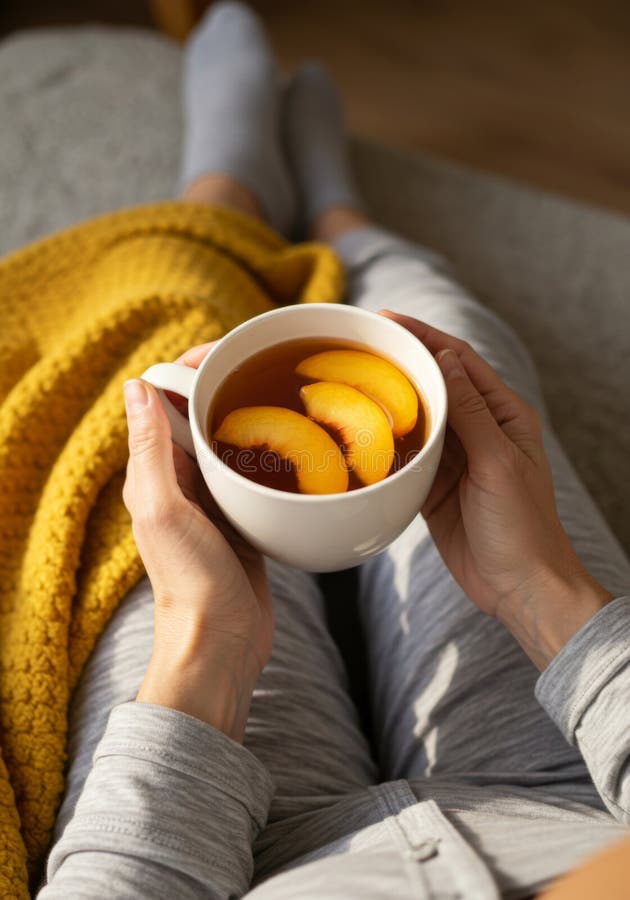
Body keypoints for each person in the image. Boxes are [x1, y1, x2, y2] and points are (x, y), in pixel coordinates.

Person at [37, 3, 630, 898]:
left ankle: (224, 197)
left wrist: (205, 647)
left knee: (174, 337)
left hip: (249, 849)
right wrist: (538, 590)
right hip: (568, 792)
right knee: (460, 345)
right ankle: (345, 217)